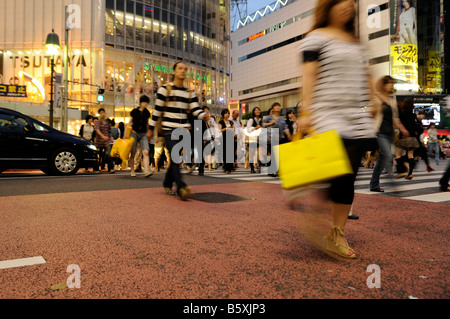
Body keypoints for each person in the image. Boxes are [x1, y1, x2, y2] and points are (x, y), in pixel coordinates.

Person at [297, 0, 378, 259]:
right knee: (338, 172)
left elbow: (365, 74)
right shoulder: (316, 38)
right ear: (328, 6)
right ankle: (322, 200)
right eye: (341, 1)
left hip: (355, 114)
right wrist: (306, 111)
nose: (347, 6)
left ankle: (336, 232)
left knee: (349, 174)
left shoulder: (355, 41)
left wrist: (374, 98)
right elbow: (309, 75)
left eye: (351, 3)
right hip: (327, 111)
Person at [148, 61, 209, 200]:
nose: (183, 71)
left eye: (185, 69)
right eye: (180, 68)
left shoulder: (189, 92)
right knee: (175, 156)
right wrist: (151, 128)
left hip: (184, 130)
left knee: (177, 159)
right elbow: (156, 112)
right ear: (174, 71)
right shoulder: (164, 89)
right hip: (169, 129)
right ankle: (181, 186)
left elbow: (195, 108)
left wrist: (203, 115)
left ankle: (167, 182)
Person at [369, 76, 408, 192]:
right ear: (383, 85)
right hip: (379, 132)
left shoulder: (391, 100)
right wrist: (378, 108)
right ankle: (392, 184)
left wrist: (403, 129)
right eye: (388, 83)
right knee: (388, 155)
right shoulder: (376, 97)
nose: (391, 85)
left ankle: (374, 184)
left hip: (389, 133)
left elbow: (395, 119)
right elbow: (370, 113)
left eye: (392, 83)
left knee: (381, 160)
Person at [125, 95, 153, 178]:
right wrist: (125, 134)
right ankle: (132, 170)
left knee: (146, 151)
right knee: (133, 153)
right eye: (144, 102)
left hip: (143, 133)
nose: (146, 104)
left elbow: (147, 124)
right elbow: (129, 122)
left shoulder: (147, 112)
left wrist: (149, 133)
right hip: (134, 133)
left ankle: (146, 171)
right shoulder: (134, 111)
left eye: (147, 103)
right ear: (141, 102)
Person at [393, 99, 421, 179]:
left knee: (398, 154)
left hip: (403, 137)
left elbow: (398, 124)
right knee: (410, 155)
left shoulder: (401, 114)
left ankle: (401, 171)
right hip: (412, 138)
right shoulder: (413, 115)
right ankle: (410, 174)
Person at [262, 102, 291, 176]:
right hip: (271, 138)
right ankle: (272, 170)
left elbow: (285, 128)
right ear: (273, 109)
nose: (278, 107)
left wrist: (288, 134)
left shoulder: (282, 119)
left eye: (279, 106)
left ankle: (272, 170)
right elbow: (263, 125)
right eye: (276, 106)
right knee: (274, 154)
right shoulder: (269, 117)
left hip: (279, 138)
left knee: (277, 155)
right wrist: (270, 123)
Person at [94, 108, 115, 173]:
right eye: (101, 113)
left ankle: (111, 168)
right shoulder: (97, 122)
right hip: (99, 141)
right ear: (99, 114)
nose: (102, 114)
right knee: (98, 155)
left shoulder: (107, 121)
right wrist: (103, 136)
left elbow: (109, 130)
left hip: (107, 141)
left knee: (108, 154)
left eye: (103, 113)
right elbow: (97, 130)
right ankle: (96, 169)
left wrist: (111, 137)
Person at [246, 107, 263, 173]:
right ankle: (252, 168)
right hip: (252, 139)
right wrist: (255, 128)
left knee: (260, 153)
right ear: (253, 112)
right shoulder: (251, 120)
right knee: (252, 153)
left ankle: (260, 166)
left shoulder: (262, 120)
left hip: (260, 139)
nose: (257, 111)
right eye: (255, 110)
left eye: (258, 110)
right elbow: (248, 129)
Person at [218, 108, 235, 174]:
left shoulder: (231, 122)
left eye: (228, 113)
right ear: (223, 114)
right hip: (224, 138)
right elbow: (220, 130)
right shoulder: (221, 122)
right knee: (225, 153)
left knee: (231, 153)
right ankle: (226, 167)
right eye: (226, 113)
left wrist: (231, 129)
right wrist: (226, 128)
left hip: (230, 138)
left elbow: (234, 129)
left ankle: (230, 167)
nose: (227, 114)